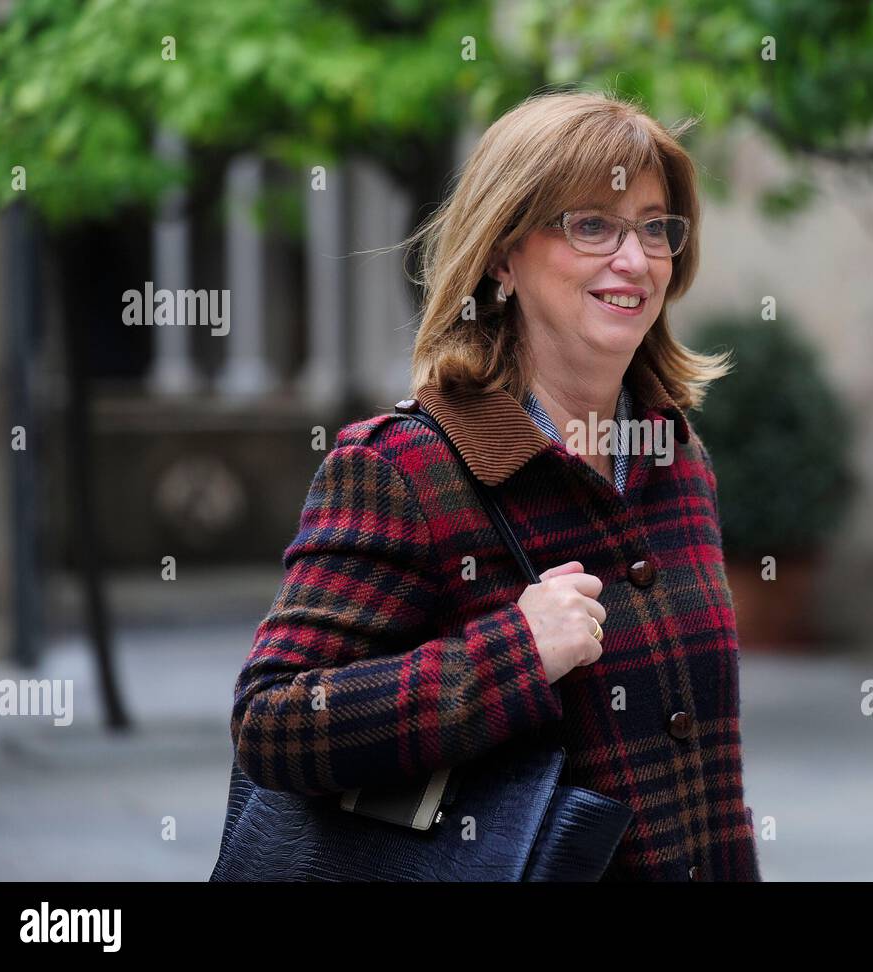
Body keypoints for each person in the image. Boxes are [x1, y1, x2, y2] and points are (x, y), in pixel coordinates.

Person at [230, 89, 761, 881]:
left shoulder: (675, 457)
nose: (636, 258)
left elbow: (712, 781)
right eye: (592, 225)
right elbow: (272, 722)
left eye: (656, 227)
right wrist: (513, 655)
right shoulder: (403, 469)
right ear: (504, 256)